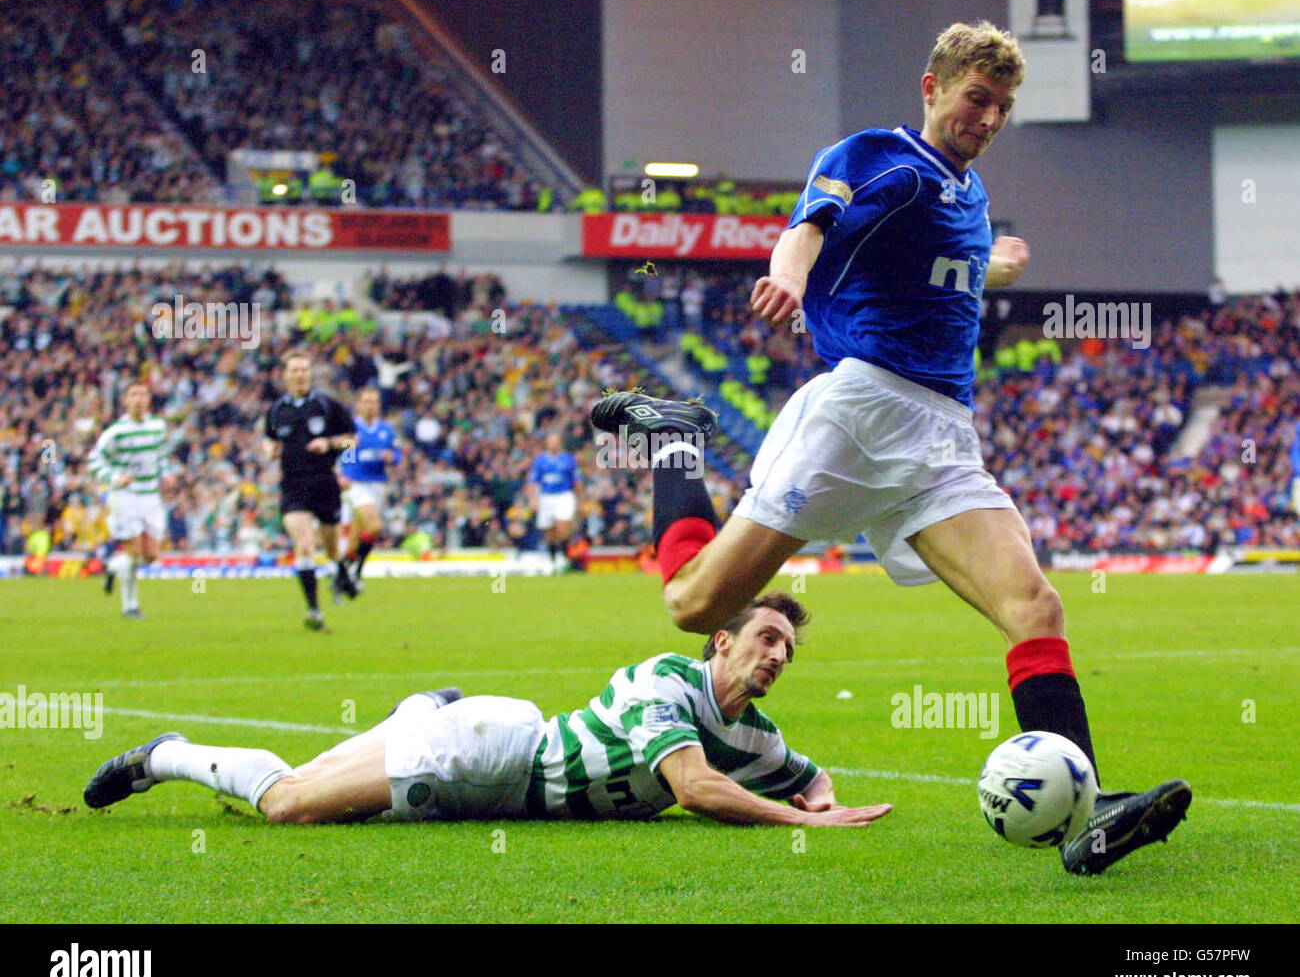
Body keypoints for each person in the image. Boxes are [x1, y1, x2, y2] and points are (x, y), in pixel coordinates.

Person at [591, 21, 1189, 875]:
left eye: (1003, 108)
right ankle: (677, 443)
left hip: (944, 434)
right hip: (862, 410)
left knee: (1036, 608)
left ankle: (1085, 804)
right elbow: (810, 227)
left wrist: (999, 263)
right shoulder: (882, 157)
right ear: (932, 86)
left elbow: (950, 266)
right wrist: (789, 277)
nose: (987, 118)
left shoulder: (967, 192)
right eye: (975, 98)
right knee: (694, 607)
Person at [83, 593, 891, 828]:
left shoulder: (757, 734)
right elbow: (692, 788)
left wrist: (819, 796)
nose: (778, 655)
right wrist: (801, 824)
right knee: (292, 804)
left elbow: (807, 775)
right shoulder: (665, 682)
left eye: (789, 648)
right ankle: (166, 755)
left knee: (320, 788)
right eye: (767, 637)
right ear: (722, 641)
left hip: (500, 780)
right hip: (497, 754)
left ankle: (415, 709)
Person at [263, 350, 357, 630]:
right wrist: (269, 449)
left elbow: (352, 441)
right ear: (285, 375)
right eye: (295, 370)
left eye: (304, 369)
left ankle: (340, 571)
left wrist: (330, 447)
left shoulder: (327, 406)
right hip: (293, 485)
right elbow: (268, 440)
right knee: (303, 545)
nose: (300, 375)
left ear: (310, 374)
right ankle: (314, 610)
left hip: (325, 483)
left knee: (331, 548)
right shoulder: (277, 410)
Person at [86, 382, 171, 619]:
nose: (139, 399)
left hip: (151, 497)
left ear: (149, 399)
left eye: (143, 394)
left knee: (151, 555)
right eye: (133, 394)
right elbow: (93, 460)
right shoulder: (116, 431)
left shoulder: (157, 426)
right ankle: (130, 606)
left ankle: (112, 567)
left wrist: (167, 473)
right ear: (125, 400)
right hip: (126, 497)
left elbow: (161, 455)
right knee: (134, 553)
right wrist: (114, 477)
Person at [338, 386, 402, 593]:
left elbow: (397, 453)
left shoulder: (387, 430)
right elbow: (346, 458)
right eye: (366, 401)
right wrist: (345, 476)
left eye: (374, 402)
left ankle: (343, 574)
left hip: (378, 485)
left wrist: (392, 457)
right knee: (374, 526)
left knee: (357, 537)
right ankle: (358, 571)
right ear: (358, 405)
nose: (370, 406)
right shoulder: (351, 428)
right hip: (356, 484)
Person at [527, 432, 582, 572]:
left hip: (564, 495)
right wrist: (533, 499)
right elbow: (533, 481)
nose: (554, 444)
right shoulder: (539, 461)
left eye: (556, 442)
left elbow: (577, 482)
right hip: (546, 497)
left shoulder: (569, 459)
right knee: (550, 532)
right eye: (551, 442)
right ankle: (553, 559)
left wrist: (579, 501)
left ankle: (564, 556)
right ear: (547, 444)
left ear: (560, 443)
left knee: (563, 527)